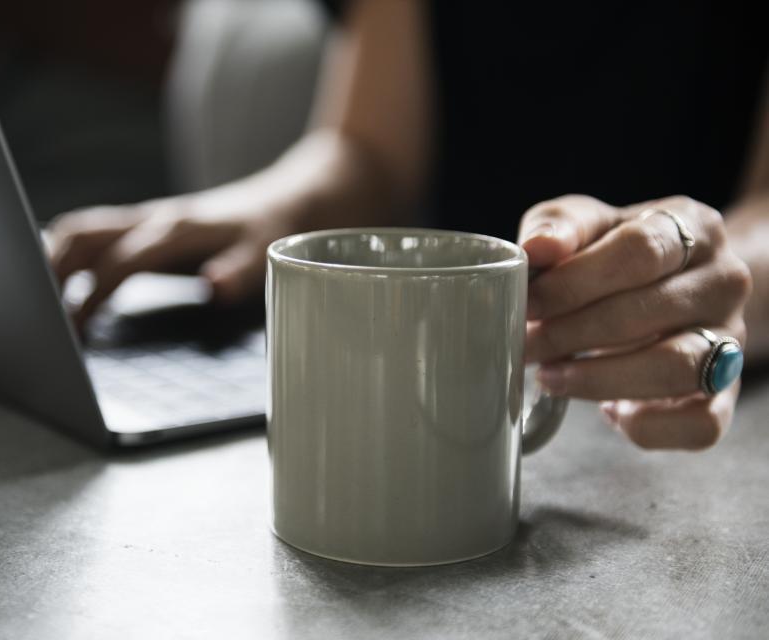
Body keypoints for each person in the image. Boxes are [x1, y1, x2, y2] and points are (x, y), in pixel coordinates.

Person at [47, 1, 769, 450]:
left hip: (680, 408)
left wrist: (706, 276)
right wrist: (266, 207)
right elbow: (370, 151)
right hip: (443, 375)